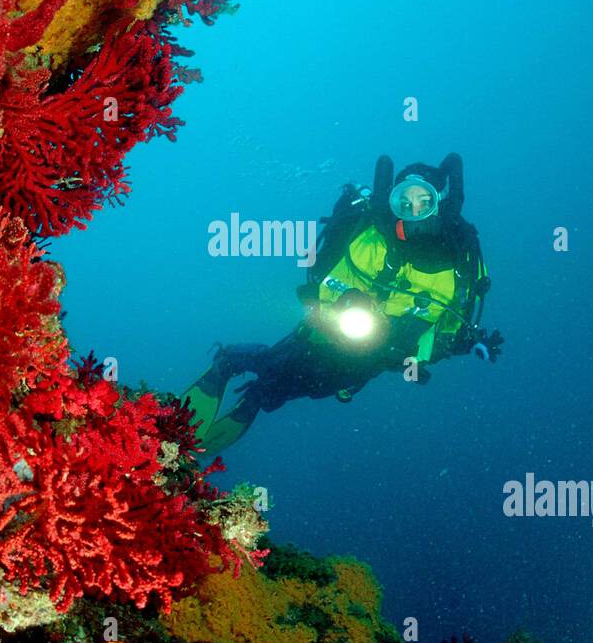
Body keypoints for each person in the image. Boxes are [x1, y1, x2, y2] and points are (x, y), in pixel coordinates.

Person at [184, 153, 503, 455]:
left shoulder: (463, 261)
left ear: (439, 201)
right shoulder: (374, 239)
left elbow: (449, 323)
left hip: (375, 357)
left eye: (423, 201)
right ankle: (228, 362)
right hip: (331, 331)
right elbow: (328, 285)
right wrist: (349, 300)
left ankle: (255, 399)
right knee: (279, 366)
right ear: (393, 203)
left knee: (309, 388)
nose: (414, 209)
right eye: (404, 202)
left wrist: (462, 344)